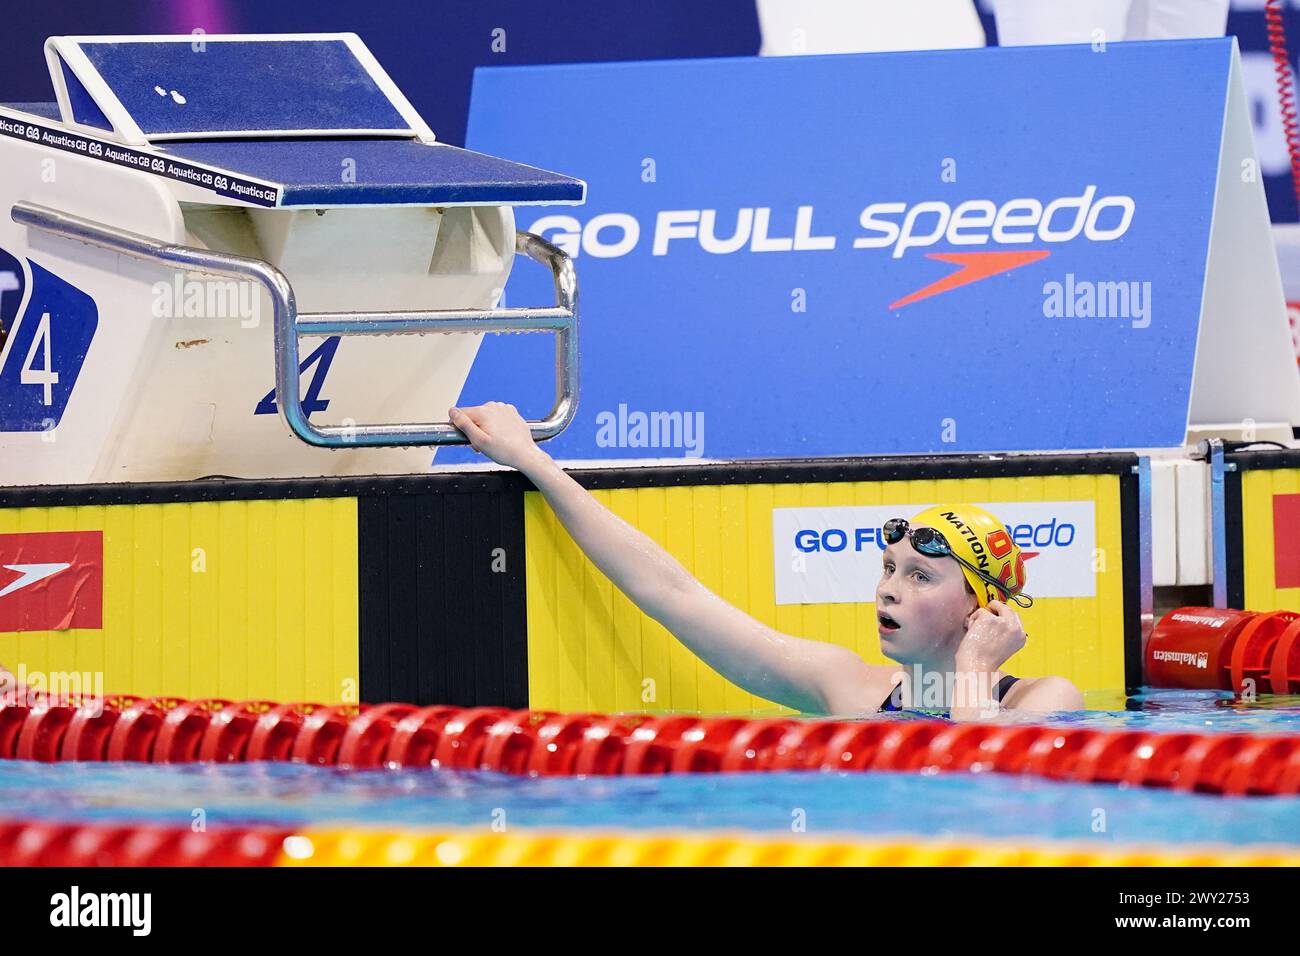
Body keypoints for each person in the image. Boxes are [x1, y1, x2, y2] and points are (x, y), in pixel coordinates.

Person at [448, 402, 1086, 719]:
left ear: (983, 610)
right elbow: (674, 594)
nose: (888, 590)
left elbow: (988, 791)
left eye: (919, 576)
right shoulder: (847, 687)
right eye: (888, 568)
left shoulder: (1046, 700)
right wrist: (534, 462)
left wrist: (975, 664)